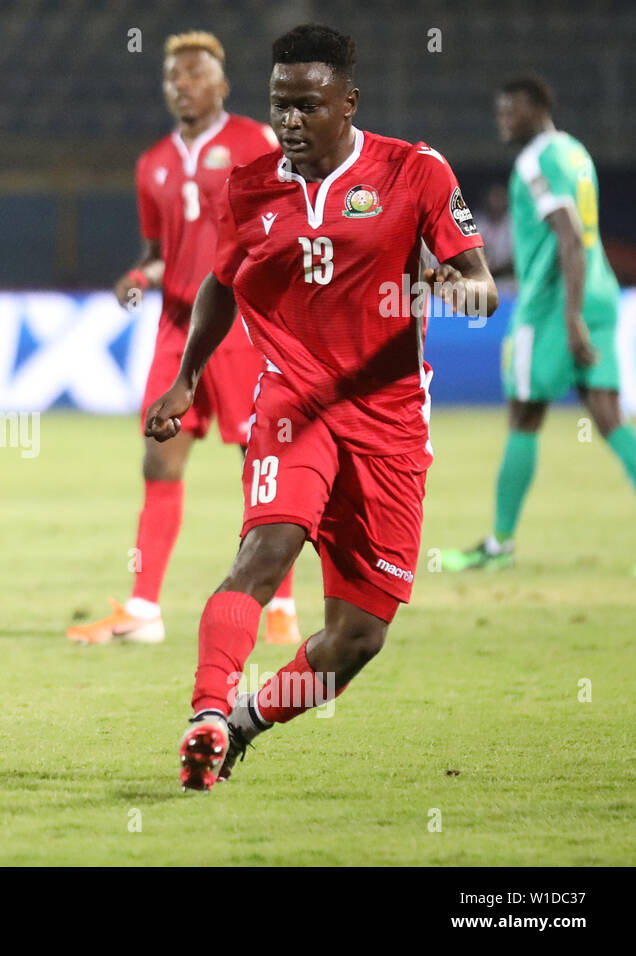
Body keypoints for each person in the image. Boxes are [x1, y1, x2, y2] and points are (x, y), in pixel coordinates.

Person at [144, 25, 497, 791]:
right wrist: (188, 377)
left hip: (390, 423)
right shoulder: (251, 185)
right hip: (292, 404)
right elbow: (221, 283)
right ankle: (206, 712)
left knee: (357, 638)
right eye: (280, 106)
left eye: (307, 106)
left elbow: (483, 286)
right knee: (265, 551)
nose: (291, 122)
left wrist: (446, 286)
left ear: (348, 103)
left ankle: (242, 724)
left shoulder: (414, 172)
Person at [67, 30, 299, 647]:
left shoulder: (257, 143)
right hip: (176, 328)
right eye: (173, 76)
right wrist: (140, 274)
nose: (182, 85)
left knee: (262, 463)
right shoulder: (153, 164)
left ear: (221, 84)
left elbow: (288, 224)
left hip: (243, 326)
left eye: (195, 74)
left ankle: (281, 605)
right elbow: (158, 252)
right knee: (158, 456)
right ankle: (144, 609)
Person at [441, 75, 635, 571]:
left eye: (513, 111)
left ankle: (499, 545)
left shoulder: (535, 161)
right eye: (500, 111)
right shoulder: (576, 152)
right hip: (600, 290)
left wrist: (570, 319)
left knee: (525, 416)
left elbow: (567, 235)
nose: (504, 120)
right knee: (608, 417)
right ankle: (499, 544)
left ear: (539, 107)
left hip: (554, 304)